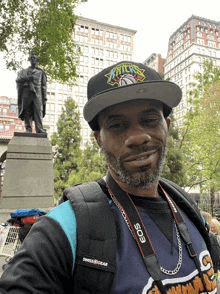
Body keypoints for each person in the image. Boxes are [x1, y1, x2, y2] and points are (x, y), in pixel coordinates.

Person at [0, 61, 217, 294]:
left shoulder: (188, 209)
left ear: (167, 125)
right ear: (99, 140)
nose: (137, 136)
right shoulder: (65, 228)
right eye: (117, 125)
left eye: (149, 120)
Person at [16, 53, 47, 133]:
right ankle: (28, 129)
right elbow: (18, 80)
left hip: (38, 95)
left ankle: (39, 129)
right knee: (27, 111)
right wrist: (27, 78)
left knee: (38, 111)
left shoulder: (41, 72)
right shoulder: (24, 71)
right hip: (27, 94)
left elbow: (43, 85)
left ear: (37, 60)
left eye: (35, 58)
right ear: (29, 60)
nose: (33, 59)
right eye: (31, 58)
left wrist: (45, 97)